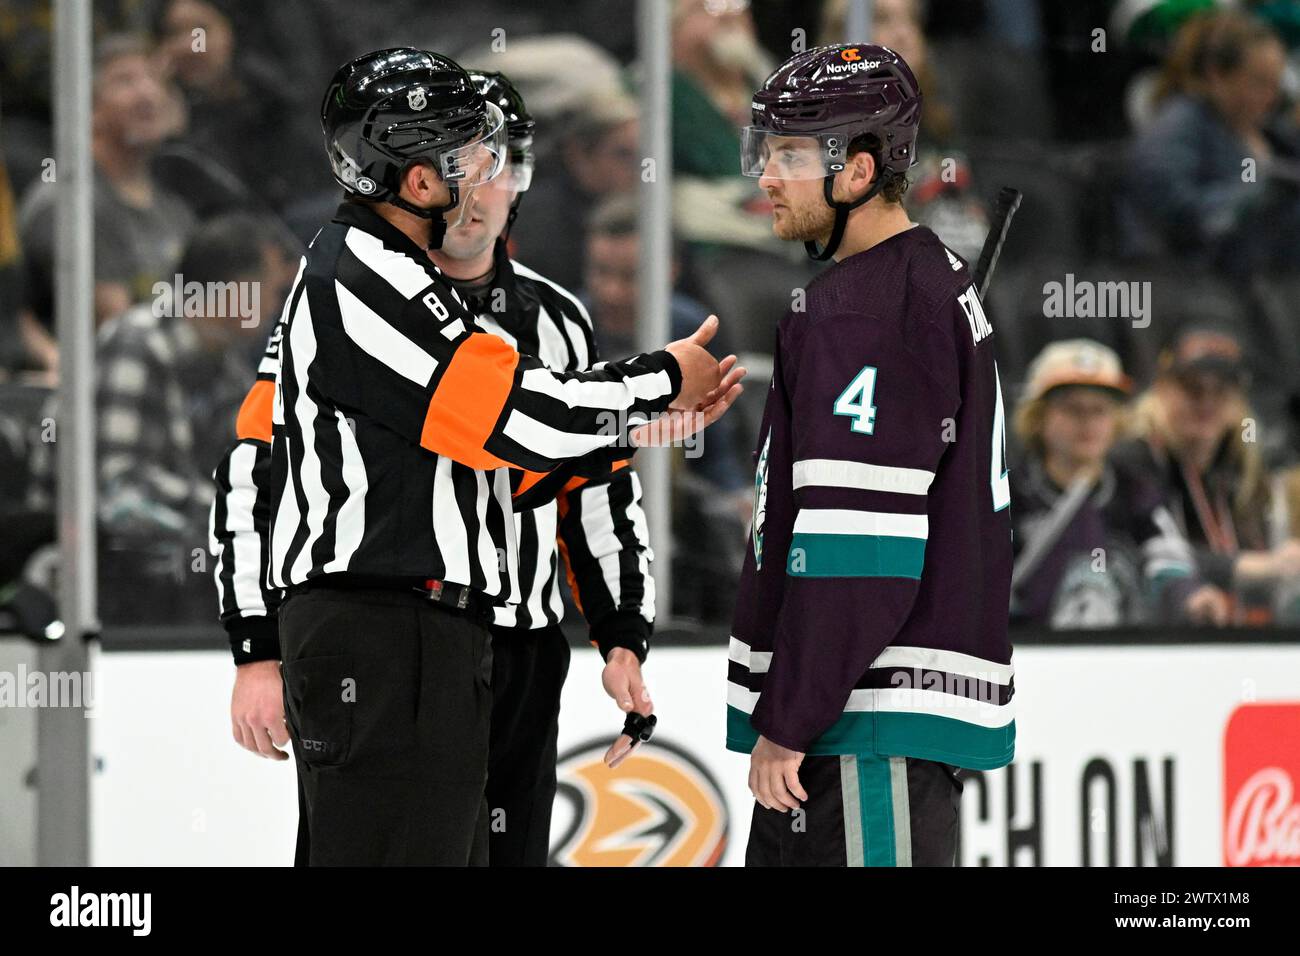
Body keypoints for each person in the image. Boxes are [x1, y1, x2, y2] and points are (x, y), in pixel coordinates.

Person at [211, 48, 742, 867]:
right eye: (466, 157)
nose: (487, 174)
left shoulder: (408, 275)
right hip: (387, 635)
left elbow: (519, 456)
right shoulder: (363, 276)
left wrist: (628, 427)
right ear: (416, 182)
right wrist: (661, 377)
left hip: (452, 639)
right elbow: (502, 416)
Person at [725, 44, 1014, 867]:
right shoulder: (926, 283)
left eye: (785, 157)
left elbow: (863, 551)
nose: (766, 179)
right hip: (856, 720)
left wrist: (790, 717)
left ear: (855, 171)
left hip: (861, 723)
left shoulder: (862, 313)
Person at [1008, 339, 1228, 628]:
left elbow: (1167, 559)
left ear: (1116, 420)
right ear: (1038, 418)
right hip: (1031, 655)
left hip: (1122, 655)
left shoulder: (1137, 491)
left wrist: (1191, 597)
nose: (1087, 422)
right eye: (1073, 409)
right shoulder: (1008, 493)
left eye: (1099, 410)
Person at [1114, 326, 1300, 625]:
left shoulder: (1245, 466)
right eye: (1192, 388)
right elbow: (1144, 553)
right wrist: (1249, 567)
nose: (1206, 401)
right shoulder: (1134, 461)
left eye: (1221, 390)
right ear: (1162, 390)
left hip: (1238, 633)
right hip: (1155, 637)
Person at [19, 34, 196, 330]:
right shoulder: (69, 203)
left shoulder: (174, 208)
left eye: (155, 79)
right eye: (125, 81)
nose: (148, 93)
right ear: (87, 108)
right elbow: (120, 329)